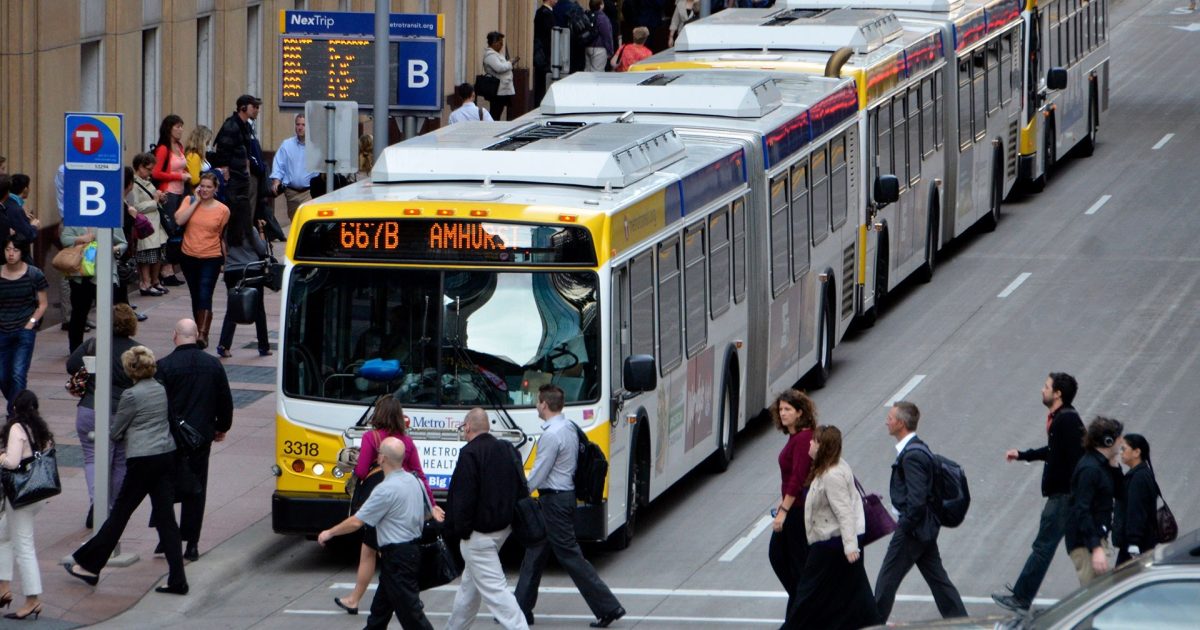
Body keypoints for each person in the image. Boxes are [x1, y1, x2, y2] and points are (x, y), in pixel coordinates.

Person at [66, 346, 189, 595]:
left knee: (120, 513)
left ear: (130, 369)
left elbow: (117, 431)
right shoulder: (160, 388)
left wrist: (112, 433)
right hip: (165, 455)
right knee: (166, 519)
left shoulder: (131, 395)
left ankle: (89, 564)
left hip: (142, 459)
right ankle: (178, 579)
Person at [515, 384, 625, 628]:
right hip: (561, 498)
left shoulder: (551, 435)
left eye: (537, 402)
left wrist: (520, 493)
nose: (536, 406)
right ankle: (520, 608)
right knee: (535, 550)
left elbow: (540, 472)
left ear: (544, 404)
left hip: (554, 501)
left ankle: (608, 607)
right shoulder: (569, 427)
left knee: (570, 556)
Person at [333, 394, 439, 615]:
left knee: (371, 552)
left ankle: (358, 599)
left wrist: (355, 463)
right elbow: (419, 474)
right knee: (382, 552)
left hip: (379, 501)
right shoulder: (406, 442)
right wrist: (432, 504)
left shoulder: (371, 438)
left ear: (378, 414)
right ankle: (401, 599)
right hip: (401, 502)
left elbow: (362, 471)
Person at [318, 437, 436, 630]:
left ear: (383, 458)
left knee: (412, 617)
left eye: (379, 452)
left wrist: (329, 532)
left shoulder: (384, 490)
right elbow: (427, 513)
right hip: (406, 554)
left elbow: (356, 521)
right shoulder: (414, 481)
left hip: (398, 558)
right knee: (379, 614)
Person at [992, 372, 1086, 612]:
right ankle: (1098, 597)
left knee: (1044, 547)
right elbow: (1054, 451)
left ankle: (1022, 598)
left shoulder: (1067, 420)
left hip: (1064, 496)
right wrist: (1023, 455)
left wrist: (1076, 493)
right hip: (1065, 495)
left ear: (1058, 394)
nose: (1042, 390)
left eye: (1046, 386)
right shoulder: (1062, 418)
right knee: (1079, 550)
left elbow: (1078, 457)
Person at [874, 401, 967, 622]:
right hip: (924, 528)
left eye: (890, 418)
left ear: (901, 423)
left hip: (913, 530)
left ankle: (873, 624)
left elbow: (917, 501)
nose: (886, 422)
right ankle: (963, 623)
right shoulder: (917, 448)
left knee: (886, 581)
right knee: (938, 581)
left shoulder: (912, 455)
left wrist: (904, 527)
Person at [784, 425, 880, 630]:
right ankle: (873, 624)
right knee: (854, 591)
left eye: (814, 441)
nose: (810, 443)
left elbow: (844, 512)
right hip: (840, 542)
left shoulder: (831, 475)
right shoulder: (832, 466)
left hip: (833, 543)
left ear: (822, 447)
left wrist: (850, 546)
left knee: (808, 592)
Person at [156, 318, 234, 561]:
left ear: (175, 335)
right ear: (197, 335)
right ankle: (192, 543)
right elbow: (225, 400)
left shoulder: (164, 366)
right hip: (200, 436)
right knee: (197, 488)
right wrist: (221, 427)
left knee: (165, 487)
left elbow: (158, 404)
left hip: (171, 437)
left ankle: (166, 537)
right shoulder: (212, 364)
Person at [445, 408, 530, 630]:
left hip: (478, 535)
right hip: (504, 528)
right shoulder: (507, 449)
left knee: (496, 591)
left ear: (467, 427)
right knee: (469, 589)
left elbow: (463, 497)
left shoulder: (469, 454)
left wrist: (461, 531)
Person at [67, 303, 141, 528]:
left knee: (93, 458)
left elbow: (71, 365)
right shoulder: (136, 351)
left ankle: (97, 503)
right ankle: (112, 508)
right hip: (122, 413)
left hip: (90, 408)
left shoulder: (93, 344)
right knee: (120, 462)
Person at [0, 390, 53, 620]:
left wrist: (0, 457)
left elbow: (12, 462)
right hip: (37, 493)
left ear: (14, 408)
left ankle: (33, 599)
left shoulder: (17, 428)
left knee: (24, 547)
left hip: (20, 495)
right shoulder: (39, 428)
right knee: (3, 536)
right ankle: (3, 587)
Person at [768, 389, 816, 617]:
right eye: (780, 409)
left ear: (800, 412)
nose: (783, 413)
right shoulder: (795, 438)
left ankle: (802, 608)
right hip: (792, 507)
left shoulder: (804, 438)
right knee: (785, 560)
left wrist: (783, 510)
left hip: (798, 511)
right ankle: (799, 607)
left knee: (786, 559)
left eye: (788, 409)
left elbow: (798, 477)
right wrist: (782, 502)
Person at [1065, 416, 1123, 587]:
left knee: (1102, 592)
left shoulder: (1103, 465)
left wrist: (1114, 466)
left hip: (1095, 540)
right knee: (1095, 594)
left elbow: (1121, 494)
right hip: (1086, 544)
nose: (1122, 442)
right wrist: (1096, 548)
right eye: (1119, 437)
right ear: (1108, 441)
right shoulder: (1090, 469)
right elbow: (1082, 509)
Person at [175, 172, 230, 348]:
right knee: (196, 294)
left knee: (205, 293)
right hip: (188, 255)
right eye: (202, 186)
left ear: (215, 189)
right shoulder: (189, 200)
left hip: (211, 257)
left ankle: (203, 334)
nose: (205, 190)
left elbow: (222, 236)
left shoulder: (223, 210)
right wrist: (196, 202)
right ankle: (199, 330)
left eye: (209, 187)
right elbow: (179, 220)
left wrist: (226, 262)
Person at [60, 224, 128, 351]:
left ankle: (111, 349)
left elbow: (123, 243)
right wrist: (81, 239)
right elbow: (64, 239)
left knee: (111, 313)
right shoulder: (77, 220)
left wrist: (114, 249)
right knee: (78, 314)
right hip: (80, 275)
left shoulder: (109, 220)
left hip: (105, 273)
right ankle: (75, 350)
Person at [0, 238, 47, 414]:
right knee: (2, 375)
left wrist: (31, 323)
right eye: (7, 249)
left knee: (18, 373)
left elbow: (42, 304)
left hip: (24, 330)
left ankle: (16, 413)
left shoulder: (34, 274)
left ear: (23, 252)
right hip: (2, 330)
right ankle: (19, 404)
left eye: (15, 250)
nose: (11, 254)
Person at [215, 211, 270, 358]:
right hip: (251, 270)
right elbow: (262, 249)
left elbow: (226, 249)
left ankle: (224, 345)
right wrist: (262, 231)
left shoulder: (228, 230)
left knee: (232, 308)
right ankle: (263, 346)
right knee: (258, 309)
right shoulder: (250, 230)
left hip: (231, 271)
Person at [211, 95, 266, 226]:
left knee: (243, 213)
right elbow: (222, 151)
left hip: (243, 177)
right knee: (233, 212)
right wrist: (226, 174)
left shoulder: (246, 126)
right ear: (243, 107)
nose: (256, 110)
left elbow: (247, 152)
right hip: (233, 178)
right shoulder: (231, 126)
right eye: (253, 107)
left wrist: (247, 170)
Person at [128, 152, 170, 296]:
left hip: (156, 224)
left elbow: (153, 198)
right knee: (146, 256)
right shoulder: (134, 184)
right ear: (140, 167)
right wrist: (155, 202)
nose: (151, 172)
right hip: (145, 225)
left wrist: (161, 198)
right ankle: (145, 283)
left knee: (158, 254)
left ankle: (155, 281)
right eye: (148, 169)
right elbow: (135, 206)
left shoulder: (148, 181)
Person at [1113, 433, 1158, 566]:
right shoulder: (1140, 474)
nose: (1121, 452)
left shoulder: (1138, 478)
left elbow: (1136, 511)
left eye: (1124, 449)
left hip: (1135, 546)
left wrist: (1133, 542)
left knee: (1122, 578)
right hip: (1139, 543)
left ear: (1136, 452)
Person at [269, 113, 319, 221]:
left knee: (307, 220)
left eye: (303, 125)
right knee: (295, 221)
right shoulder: (287, 145)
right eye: (298, 124)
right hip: (291, 193)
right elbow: (279, 164)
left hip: (309, 193)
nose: (300, 127)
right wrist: (276, 181)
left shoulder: (316, 146)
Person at [152, 115, 190, 227]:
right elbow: (156, 173)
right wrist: (179, 177)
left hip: (181, 191)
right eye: (178, 127)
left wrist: (185, 173)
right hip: (168, 193)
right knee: (170, 225)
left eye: (181, 127)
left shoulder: (179, 146)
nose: (181, 130)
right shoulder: (163, 149)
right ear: (169, 129)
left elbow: (180, 167)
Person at [482, 32, 519, 121]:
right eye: (500, 43)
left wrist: (509, 63)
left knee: (499, 111)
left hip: (502, 89)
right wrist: (510, 62)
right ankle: (493, 128)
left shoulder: (497, 54)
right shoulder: (490, 55)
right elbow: (499, 68)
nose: (502, 45)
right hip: (497, 90)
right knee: (495, 112)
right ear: (494, 43)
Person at [533, 0, 557, 105]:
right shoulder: (545, 13)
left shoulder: (543, 12)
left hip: (543, 53)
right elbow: (548, 35)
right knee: (542, 83)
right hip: (544, 54)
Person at [584, 1, 615, 72]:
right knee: (597, 74)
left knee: (587, 73)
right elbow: (607, 36)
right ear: (601, 5)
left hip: (588, 46)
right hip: (599, 48)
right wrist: (610, 51)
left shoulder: (587, 15)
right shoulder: (602, 17)